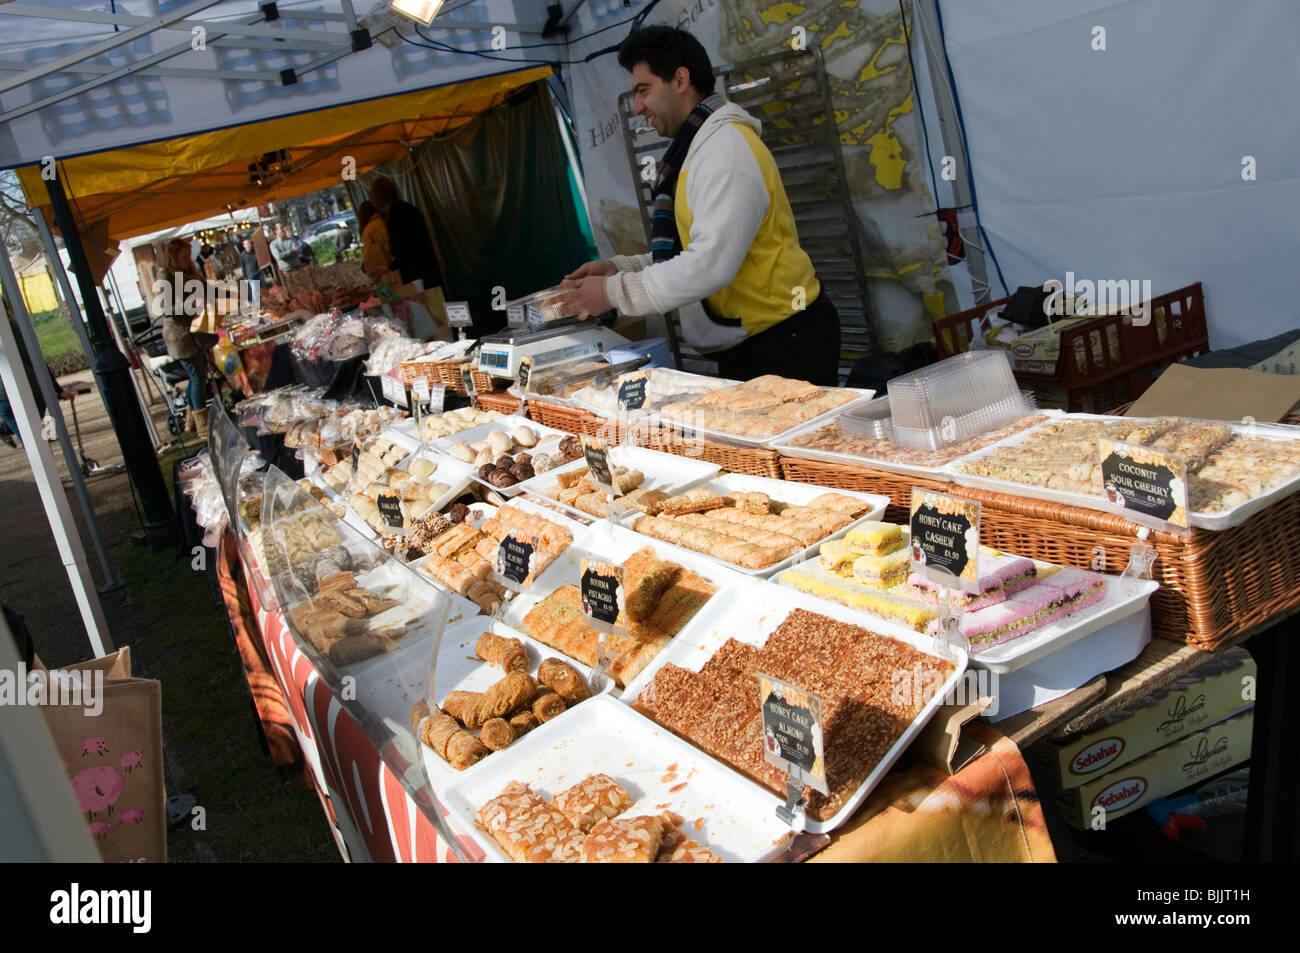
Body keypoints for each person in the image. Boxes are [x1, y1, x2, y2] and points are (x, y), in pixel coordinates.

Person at [558, 26, 840, 385]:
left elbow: (709, 265)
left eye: (643, 90)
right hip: (752, 344)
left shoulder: (726, 148)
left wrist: (613, 293)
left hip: (784, 342)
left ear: (680, 79)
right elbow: (692, 250)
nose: (638, 107)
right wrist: (618, 268)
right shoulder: (697, 148)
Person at [160, 238, 211, 436]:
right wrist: (193, 306)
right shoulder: (166, 276)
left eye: (188, 255)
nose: (187, 259)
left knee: (195, 375)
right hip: (180, 336)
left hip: (192, 332)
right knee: (198, 376)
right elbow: (166, 309)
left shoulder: (186, 272)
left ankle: (190, 421)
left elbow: (205, 288)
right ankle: (202, 425)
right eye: (183, 256)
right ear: (173, 257)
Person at [369, 176, 443, 292]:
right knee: (438, 304)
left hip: (418, 272)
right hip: (429, 266)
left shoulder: (394, 216)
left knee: (430, 306)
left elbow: (407, 249)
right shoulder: (407, 208)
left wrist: (389, 266)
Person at [357, 201, 392, 281]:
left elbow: (369, 254)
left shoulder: (369, 229)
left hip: (384, 272)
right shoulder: (382, 222)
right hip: (390, 268)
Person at [239, 237, 262, 309]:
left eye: (249, 243)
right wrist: (245, 277)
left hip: (259, 273)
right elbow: (243, 266)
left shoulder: (255, 252)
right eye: (247, 244)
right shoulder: (242, 255)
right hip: (250, 275)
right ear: (244, 245)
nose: (248, 245)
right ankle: (257, 306)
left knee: (262, 289)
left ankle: (263, 304)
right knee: (255, 291)